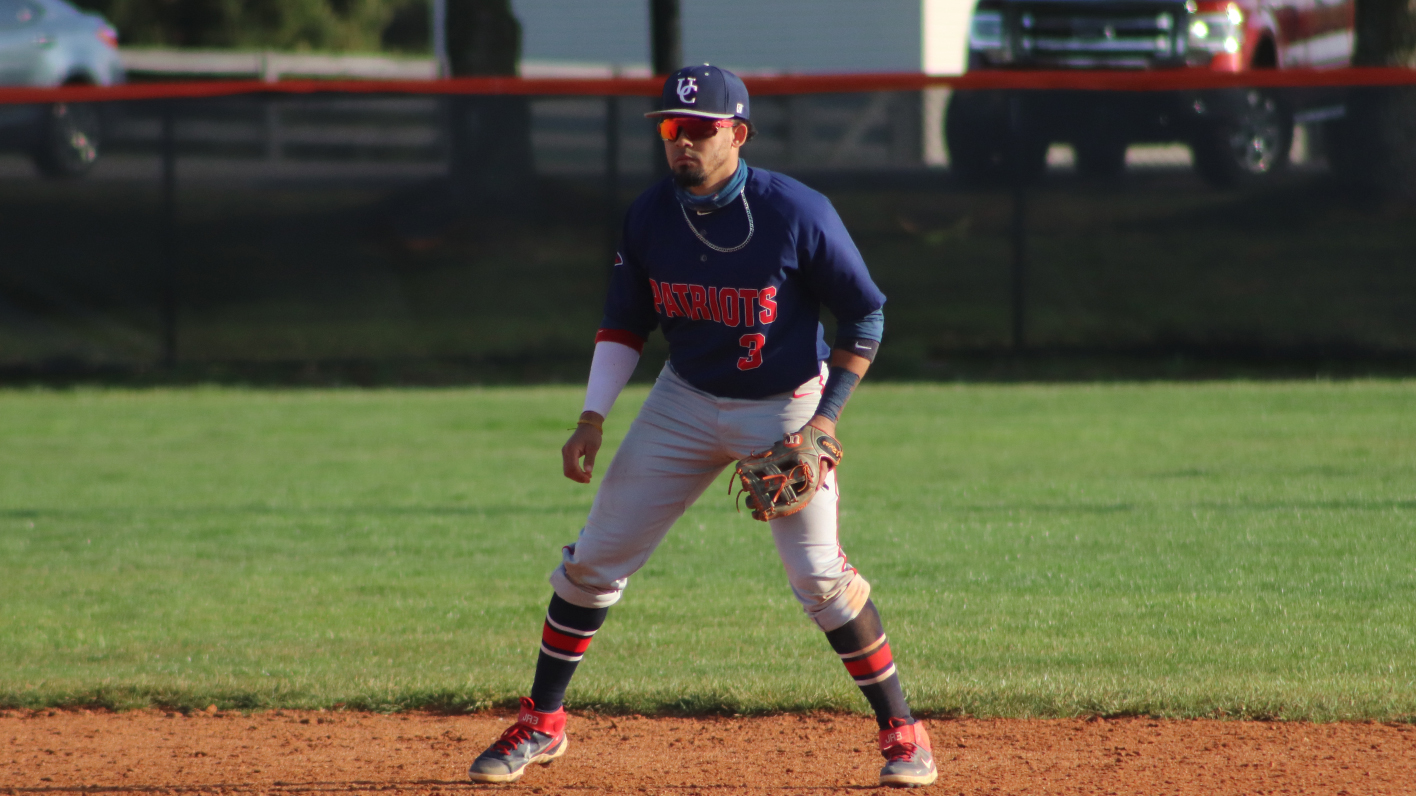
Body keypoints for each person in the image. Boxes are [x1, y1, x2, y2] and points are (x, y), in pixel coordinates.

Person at [467, 64, 937, 789]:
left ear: (737, 135)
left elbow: (865, 314)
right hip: (683, 400)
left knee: (819, 580)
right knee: (592, 563)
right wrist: (592, 417)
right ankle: (544, 722)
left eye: (698, 129)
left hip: (784, 405)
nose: (681, 142)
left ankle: (905, 734)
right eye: (670, 129)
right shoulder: (650, 214)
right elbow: (626, 321)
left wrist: (823, 421)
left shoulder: (796, 211)